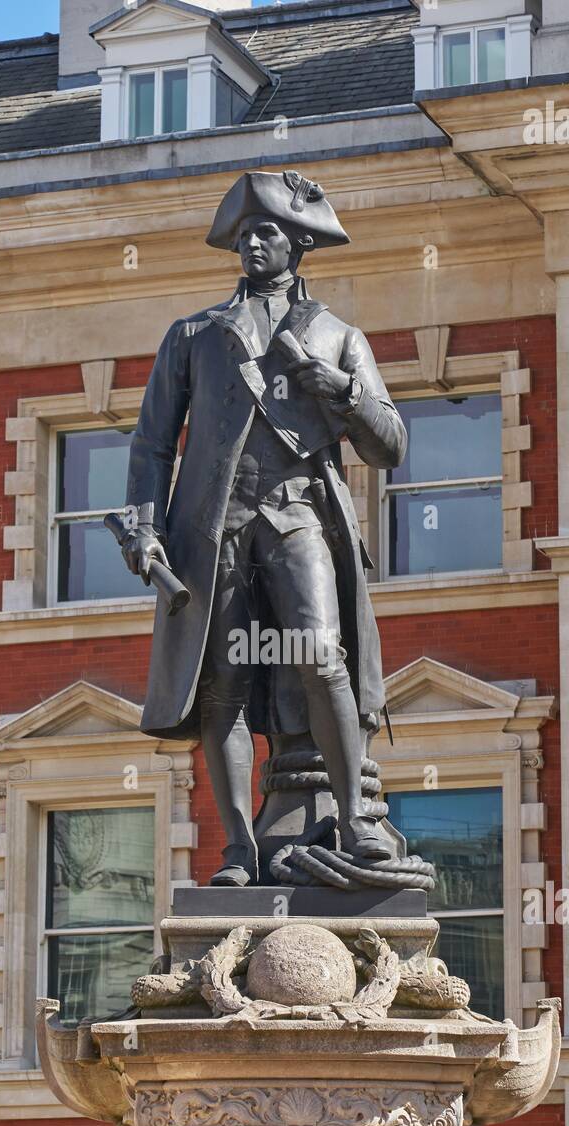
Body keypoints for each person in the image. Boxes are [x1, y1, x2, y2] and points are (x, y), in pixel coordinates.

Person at [122, 170, 407, 886]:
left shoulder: (338, 336)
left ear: (299, 243)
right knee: (222, 687)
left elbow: (389, 445)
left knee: (321, 658)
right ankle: (242, 850)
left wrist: (336, 392)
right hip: (212, 529)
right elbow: (153, 442)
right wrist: (142, 527)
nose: (253, 243)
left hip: (296, 514)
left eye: (268, 231)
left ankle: (355, 822)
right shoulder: (193, 334)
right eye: (244, 233)